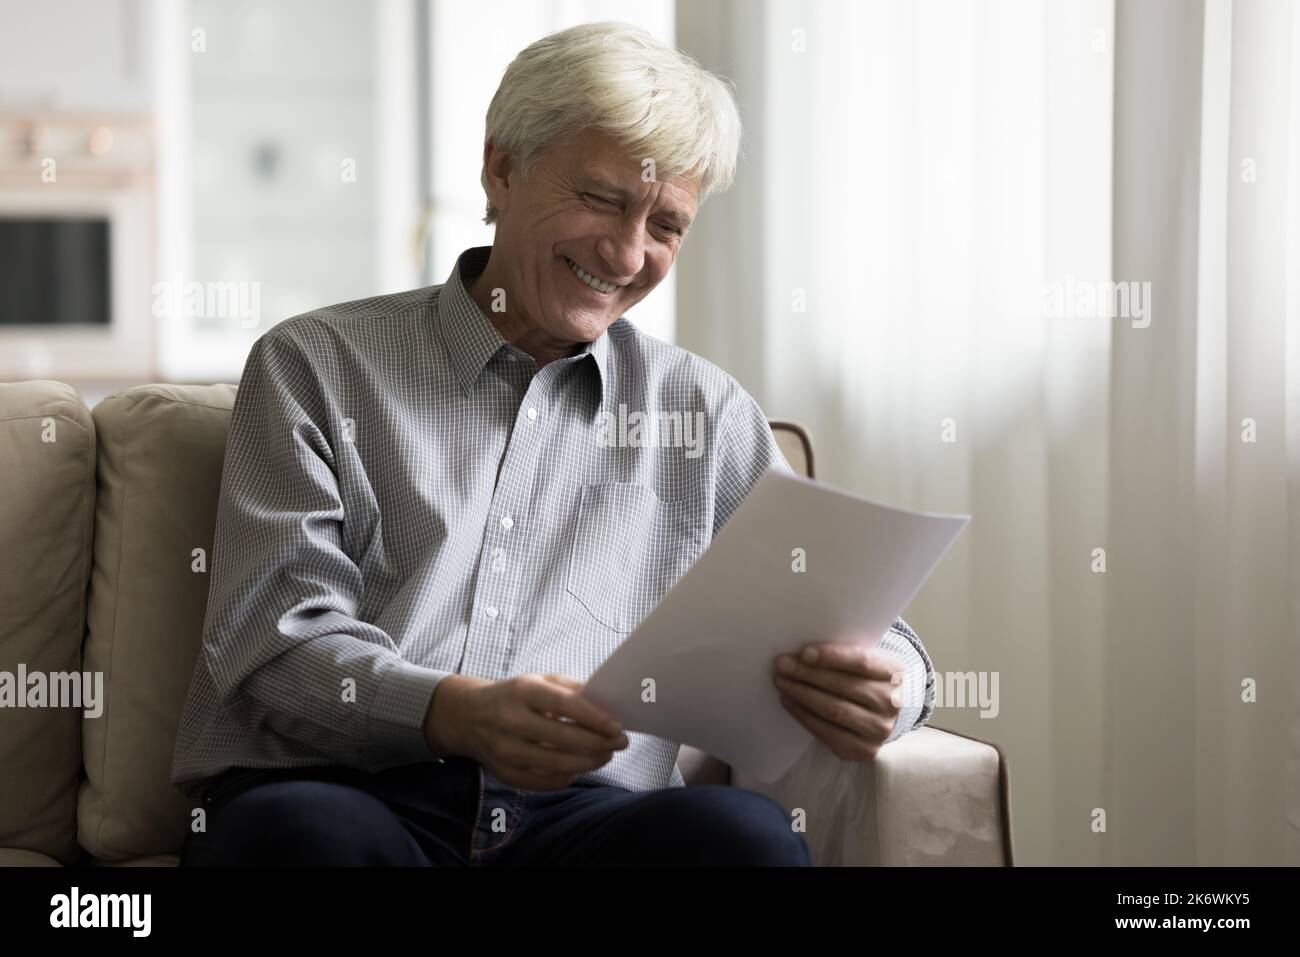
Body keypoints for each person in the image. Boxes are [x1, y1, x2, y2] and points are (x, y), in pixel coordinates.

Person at [171, 20, 936, 867]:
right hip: (349, 791)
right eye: (603, 199)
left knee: (745, 843)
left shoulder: (705, 414)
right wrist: (452, 712)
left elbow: (876, 630)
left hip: (579, 820)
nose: (626, 251)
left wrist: (893, 688)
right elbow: (271, 642)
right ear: (502, 167)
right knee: (303, 841)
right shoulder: (316, 364)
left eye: (666, 225)